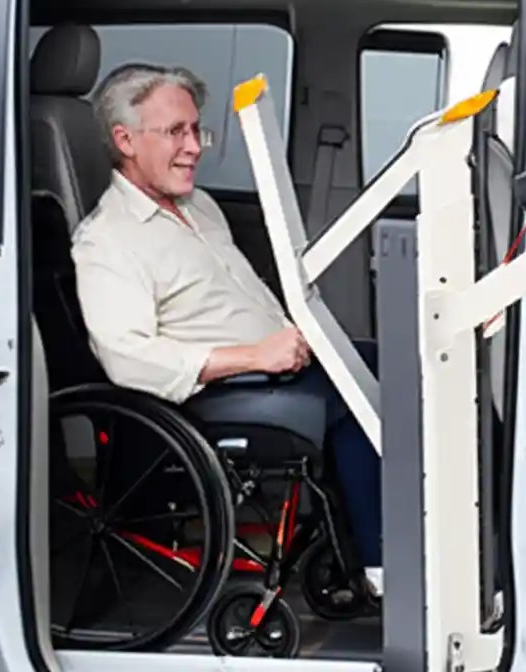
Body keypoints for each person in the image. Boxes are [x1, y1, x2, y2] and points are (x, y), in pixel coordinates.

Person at [70, 62, 383, 596]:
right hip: (218, 392)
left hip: (279, 362)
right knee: (362, 397)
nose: (194, 147)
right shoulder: (107, 241)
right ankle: (383, 567)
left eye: (197, 130)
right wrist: (257, 356)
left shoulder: (200, 205)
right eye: (176, 132)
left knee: (397, 361)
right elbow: (126, 356)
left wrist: (295, 334)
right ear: (125, 139)